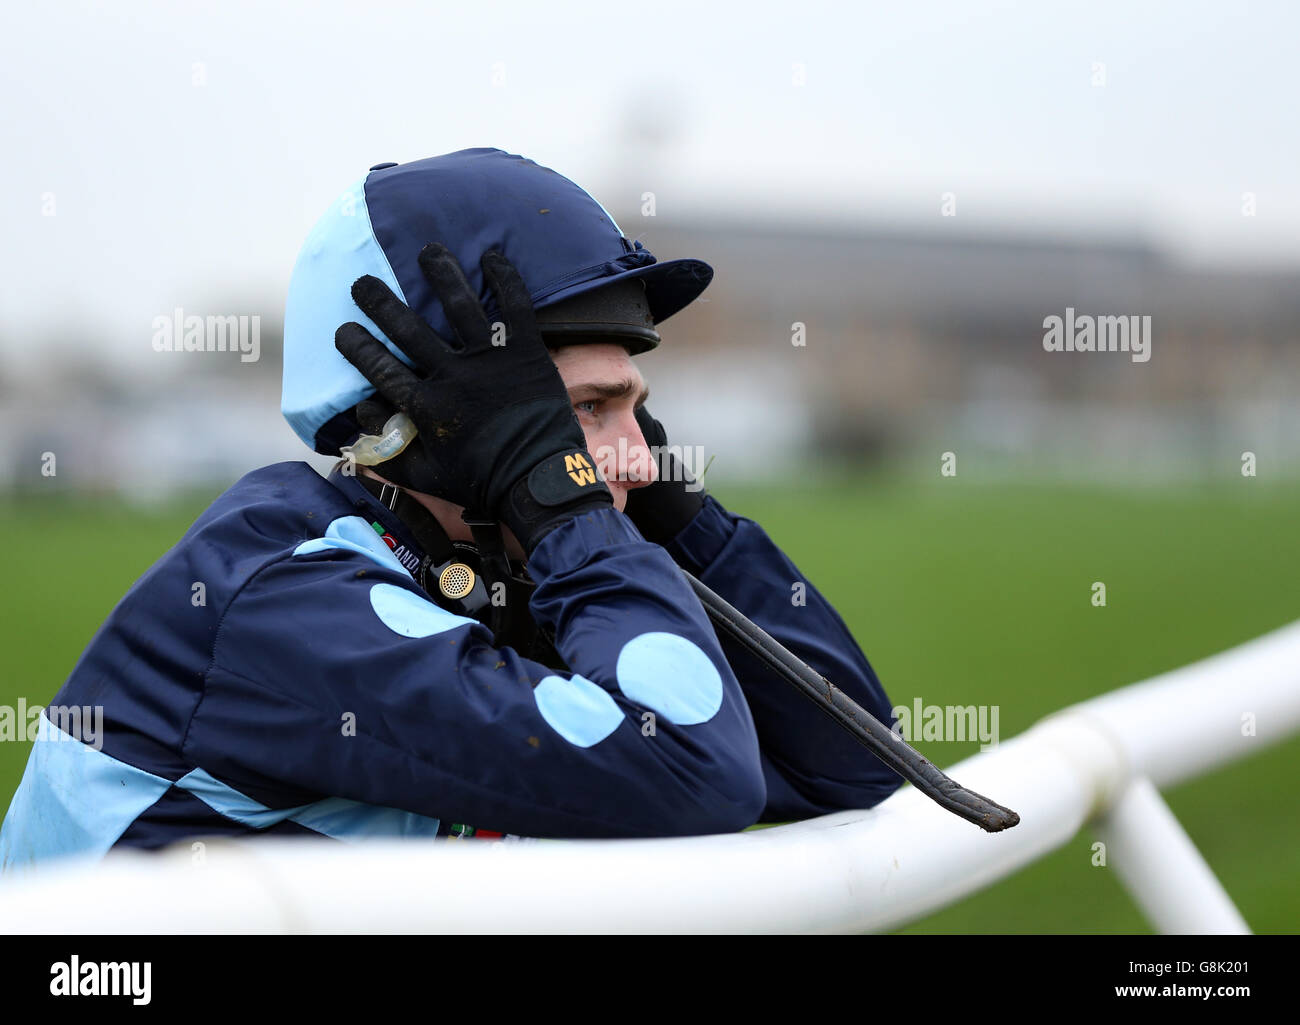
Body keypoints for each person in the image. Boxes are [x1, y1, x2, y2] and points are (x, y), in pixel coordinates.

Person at [0, 148, 900, 870]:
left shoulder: (474, 560)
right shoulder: (284, 595)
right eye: (584, 409)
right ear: (427, 422)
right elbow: (690, 769)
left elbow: (850, 761)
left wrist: (671, 512)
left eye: (635, 405)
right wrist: (566, 503)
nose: (638, 454)